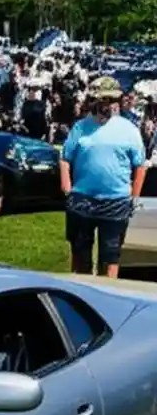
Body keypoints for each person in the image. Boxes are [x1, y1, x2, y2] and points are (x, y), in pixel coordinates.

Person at [61, 76, 148, 278]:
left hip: (116, 202)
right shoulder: (80, 128)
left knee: (110, 257)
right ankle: (80, 290)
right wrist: (67, 186)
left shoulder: (129, 130)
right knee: (80, 255)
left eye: (110, 101)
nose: (106, 106)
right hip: (82, 200)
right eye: (102, 101)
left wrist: (134, 197)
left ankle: (107, 292)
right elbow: (65, 158)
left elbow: (140, 165)